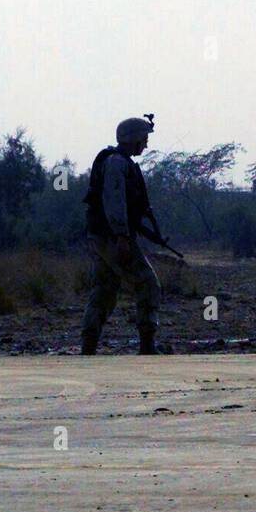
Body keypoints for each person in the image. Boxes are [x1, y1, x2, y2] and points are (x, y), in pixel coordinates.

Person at [80, 115, 168, 355]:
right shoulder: (118, 164)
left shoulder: (117, 162)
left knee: (104, 289)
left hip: (101, 236)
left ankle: (88, 346)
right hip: (112, 237)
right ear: (134, 139)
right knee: (148, 284)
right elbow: (115, 200)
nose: (146, 144)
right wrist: (122, 236)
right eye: (144, 139)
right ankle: (147, 346)